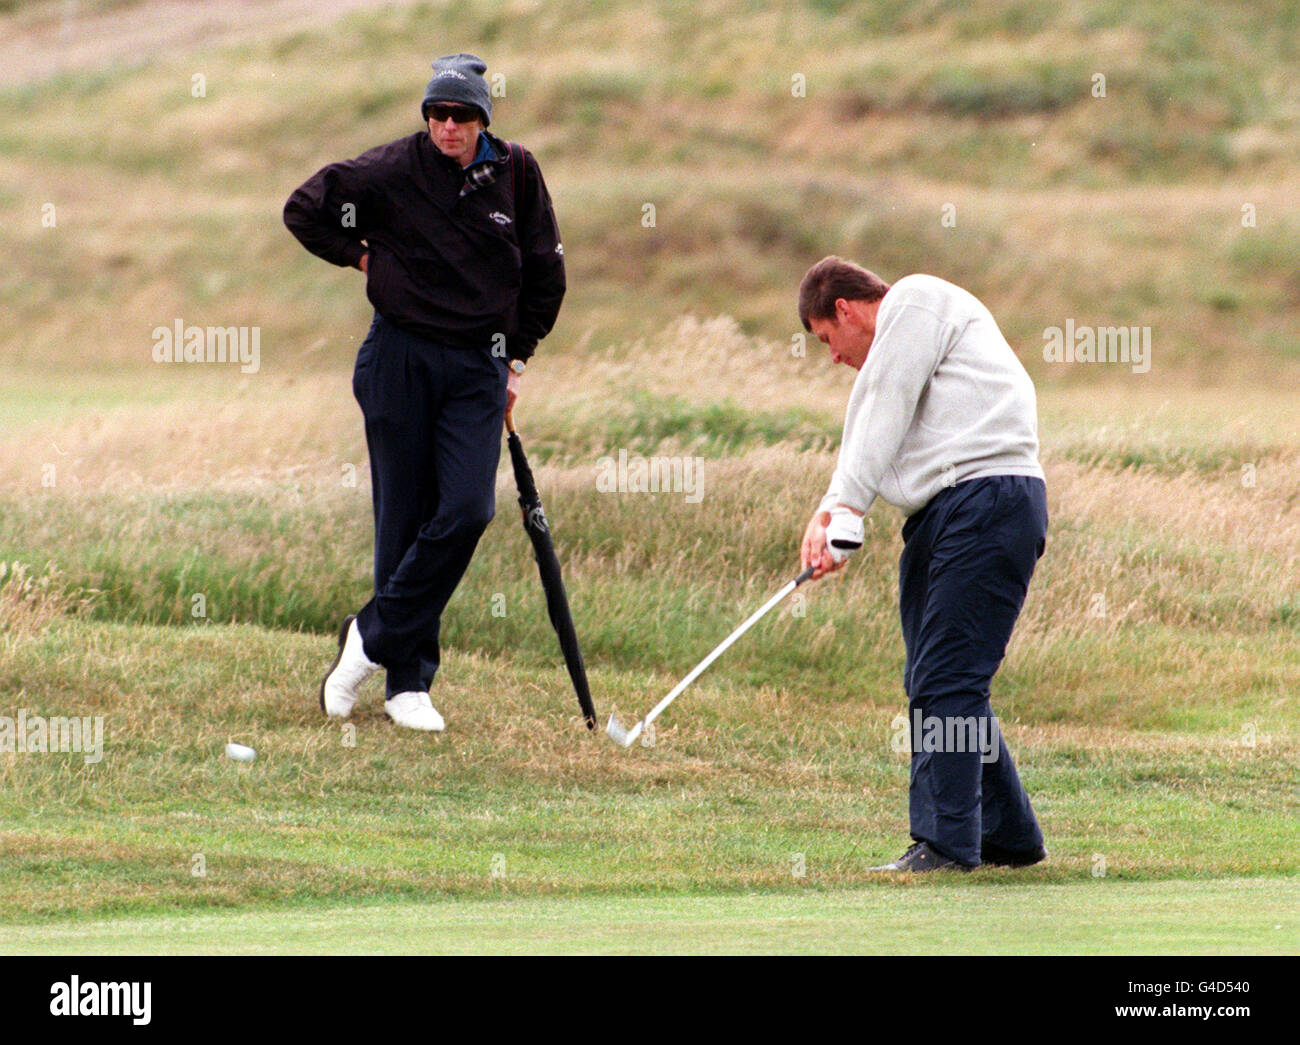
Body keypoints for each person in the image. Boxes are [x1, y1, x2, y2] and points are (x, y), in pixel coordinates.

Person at [283, 53, 565, 731]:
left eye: (461, 116)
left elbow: (546, 276)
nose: (447, 127)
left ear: (482, 120)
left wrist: (515, 364)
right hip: (399, 357)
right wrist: (359, 255)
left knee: (467, 509)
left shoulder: (517, 175)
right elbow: (304, 209)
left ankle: (369, 640)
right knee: (401, 519)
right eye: (437, 114)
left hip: (477, 367)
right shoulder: (390, 170)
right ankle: (408, 683)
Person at [797, 256, 1048, 871]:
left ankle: (944, 845)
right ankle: (1008, 836)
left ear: (845, 309)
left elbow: (883, 398)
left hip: (989, 500)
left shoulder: (915, 299)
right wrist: (834, 513)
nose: (833, 357)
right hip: (944, 516)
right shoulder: (904, 350)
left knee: (946, 679)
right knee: (936, 679)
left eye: (828, 339)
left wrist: (848, 507)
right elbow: (873, 424)